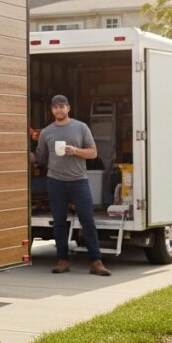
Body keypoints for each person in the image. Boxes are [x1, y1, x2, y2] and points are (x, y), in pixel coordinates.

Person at [33, 94, 111, 276]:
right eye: (55, 107)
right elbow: (40, 158)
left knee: (87, 220)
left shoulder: (80, 127)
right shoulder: (47, 132)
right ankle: (62, 260)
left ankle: (95, 261)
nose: (59, 110)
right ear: (51, 110)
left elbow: (93, 153)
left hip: (78, 180)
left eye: (62, 106)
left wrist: (75, 151)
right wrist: (32, 151)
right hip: (55, 181)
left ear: (68, 108)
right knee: (59, 222)